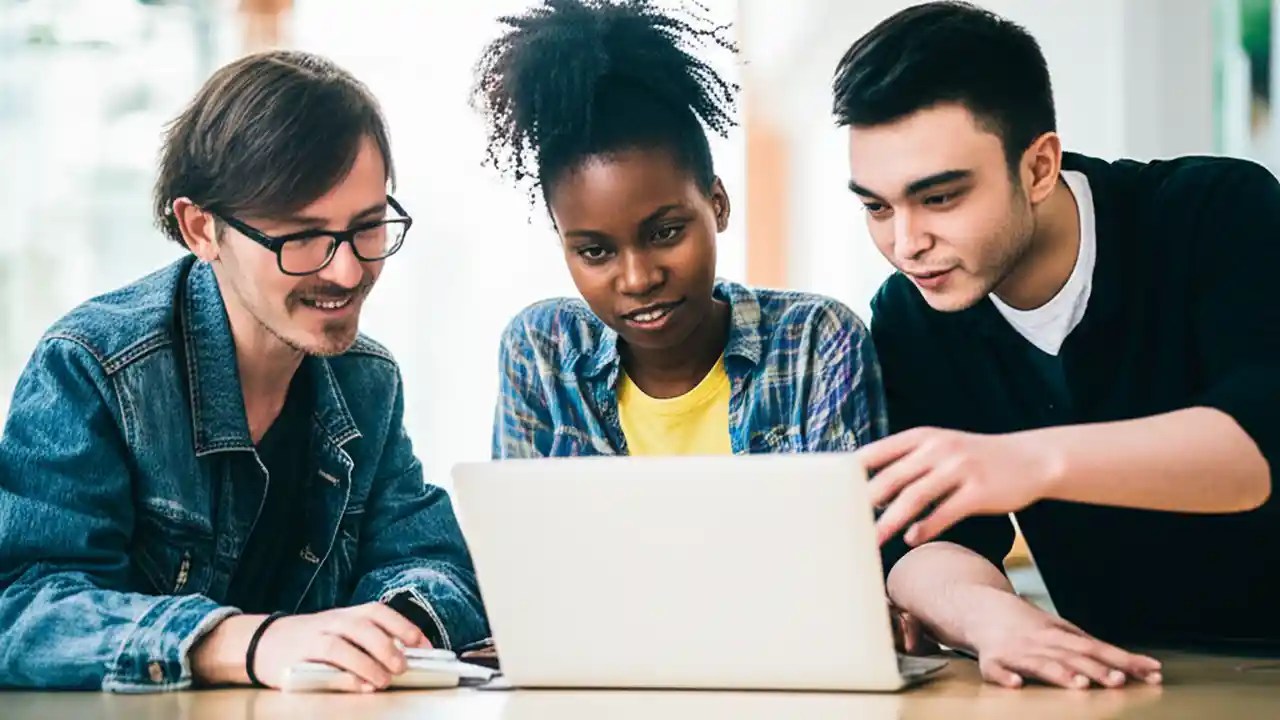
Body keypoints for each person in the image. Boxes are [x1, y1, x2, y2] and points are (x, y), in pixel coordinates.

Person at [0, 50, 487, 693]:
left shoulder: (365, 381)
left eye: (368, 228)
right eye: (303, 238)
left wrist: (392, 628)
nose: (346, 272)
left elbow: (431, 559)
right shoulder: (94, 367)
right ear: (201, 228)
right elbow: (22, 606)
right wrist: (243, 642)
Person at [831, 0, 1280, 690]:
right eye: (877, 206)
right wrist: (989, 617)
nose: (905, 243)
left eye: (941, 198)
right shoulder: (912, 315)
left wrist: (1026, 460)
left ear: (1039, 167)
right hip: (1127, 679)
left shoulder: (1215, 211)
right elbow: (926, 540)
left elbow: (1258, 447)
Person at [477, 0, 886, 460]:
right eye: (595, 252)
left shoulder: (814, 343)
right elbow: (519, 530)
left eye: (665, 233)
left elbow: (844, 530)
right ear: (562, 240)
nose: (639, 279)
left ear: (718, 205)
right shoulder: (542, 351)